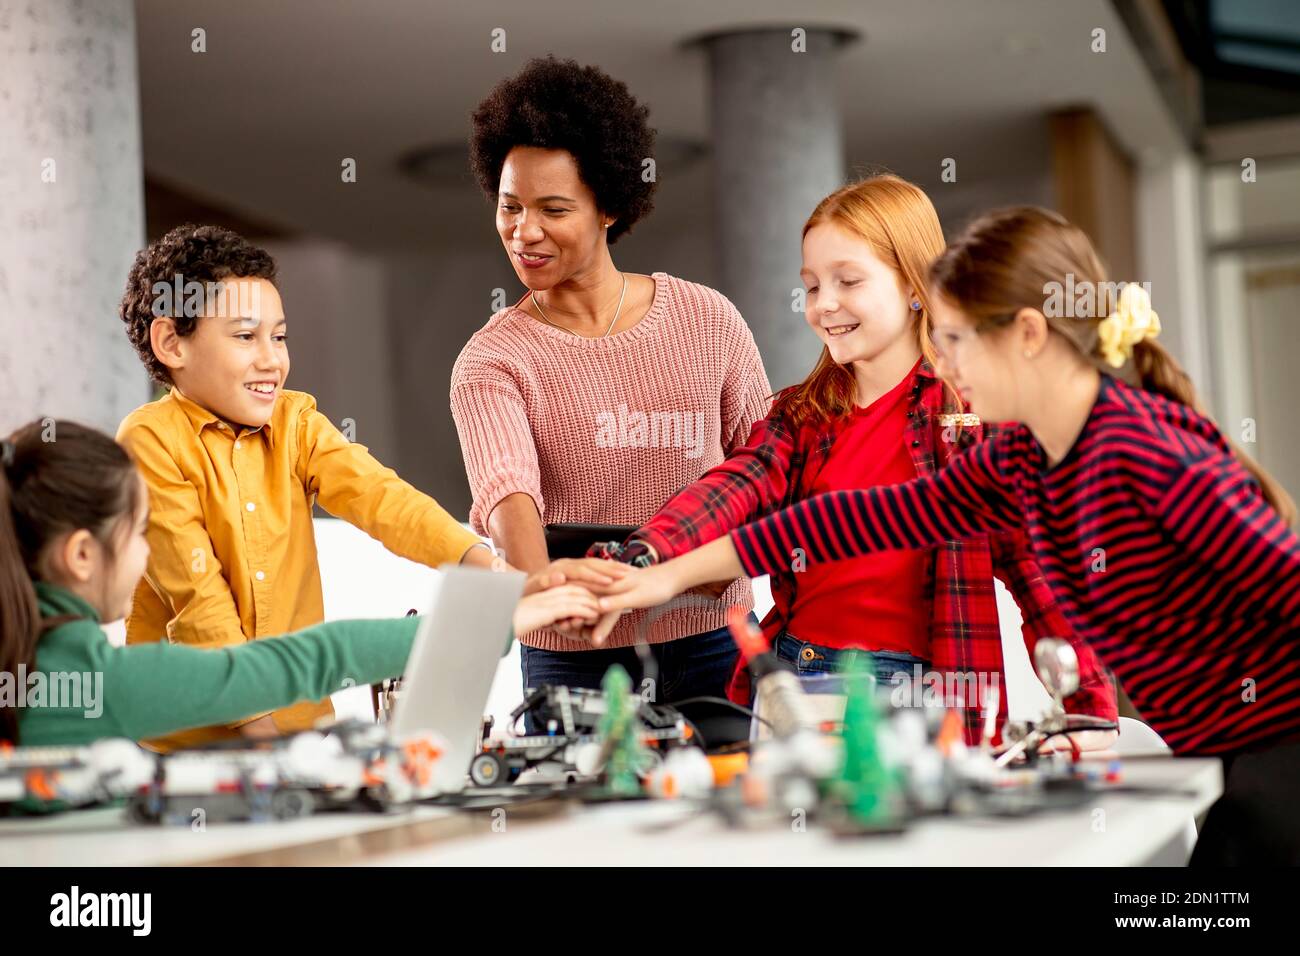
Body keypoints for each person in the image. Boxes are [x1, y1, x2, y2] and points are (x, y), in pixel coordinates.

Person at [596, 206, 1300, 863]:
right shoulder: (1019, 460)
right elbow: (849, 522)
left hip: (1277, 746)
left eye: (957, 338)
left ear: (1027, 334)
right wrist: (658, 573)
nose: (946, 359)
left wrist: (1090, 710)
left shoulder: (1137, 450)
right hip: (1221, 750)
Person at [588, 176, 1115, 745]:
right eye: (812, 286)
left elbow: (1040, 569)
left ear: (917, 287)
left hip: (919, 702)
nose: (824, 305)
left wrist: (1089, 709)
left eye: (849, 281)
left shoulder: (970, 424)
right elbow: (732, 488)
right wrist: (641, 556)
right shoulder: (800, 415)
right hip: (792, 682)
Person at [115, 224, 620, 750]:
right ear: (172, 342)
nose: (273, 360)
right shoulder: (149, 440)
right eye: (245, 336)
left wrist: (500, 576)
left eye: (280, 336)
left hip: (299, 730)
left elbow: (385, 501)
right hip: (191, 745)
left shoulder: (297, 422)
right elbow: (200, 605)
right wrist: (265, 743)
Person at [452, 57, 770, 715]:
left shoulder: (708, 319)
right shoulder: (491, 360)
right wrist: (543, 584)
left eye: (554, 208)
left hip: (716, 640)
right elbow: (509, 496)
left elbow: (768, 468)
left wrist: (701, 571)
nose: (524, 231)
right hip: (574, 655)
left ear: (611, 207)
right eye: (510, 207)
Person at [0, 421, 601, 748]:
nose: (147, 552)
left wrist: (488, 572)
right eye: (139, 534)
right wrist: (499, 619)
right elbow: (312, 657)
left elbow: (385, 501)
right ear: (81, 555)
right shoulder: (97, 687)